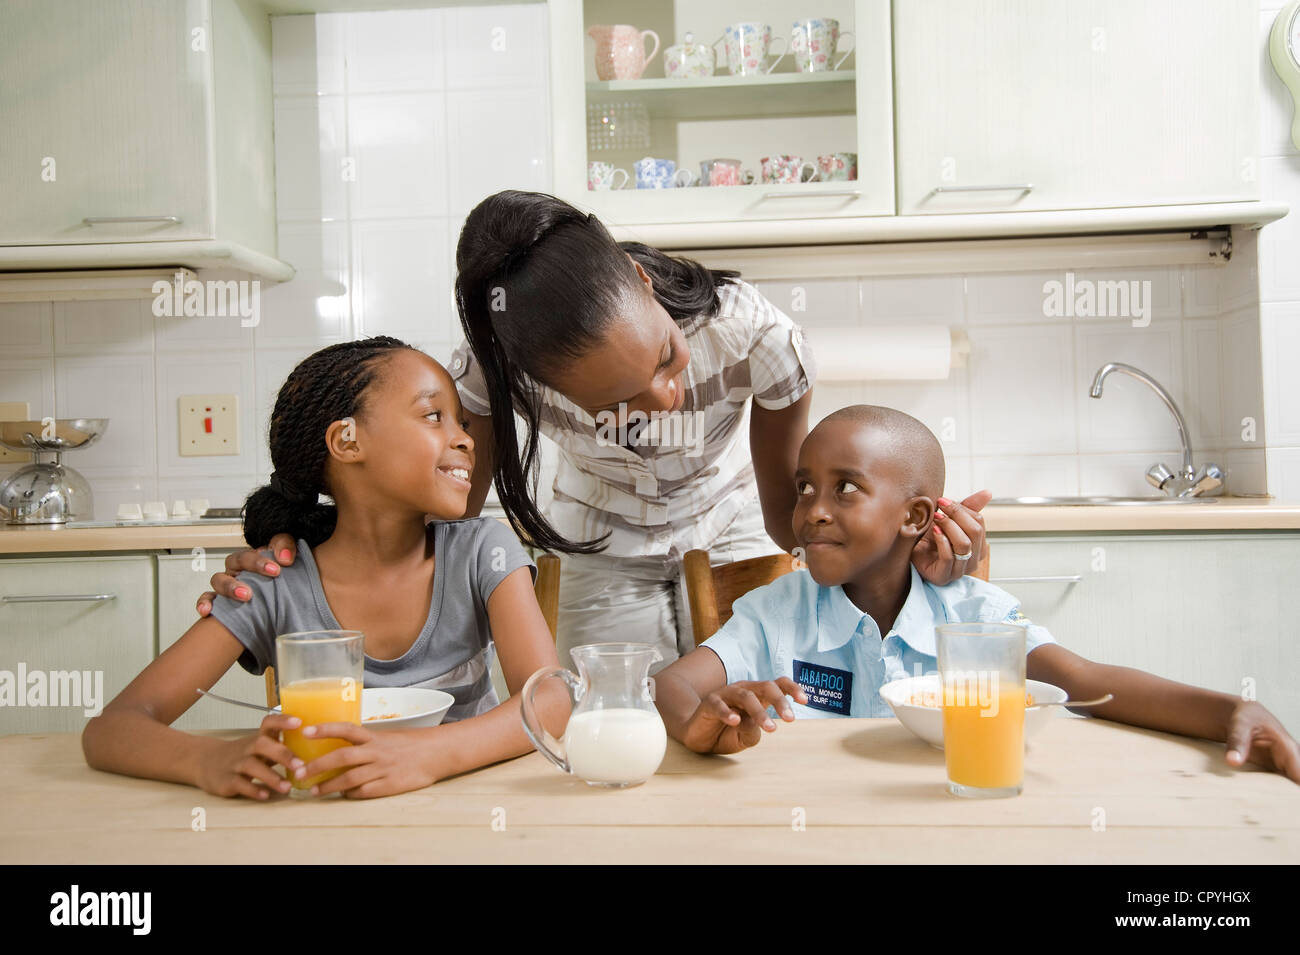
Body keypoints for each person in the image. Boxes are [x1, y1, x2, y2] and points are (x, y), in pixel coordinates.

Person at [194, 190, 992, 670]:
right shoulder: (493, 365)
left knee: (772, 712)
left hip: (737, 529)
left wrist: (899, 555)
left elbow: (795, 513)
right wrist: (305, 560)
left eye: (668, 359)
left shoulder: (760, 337)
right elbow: (444, 514)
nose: (672, 397)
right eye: (629, 402)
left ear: (643, 284)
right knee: (608, 726)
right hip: (599, 544)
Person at [653, 405, 1300, 784]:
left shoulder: (971, 614)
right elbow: (673, 687)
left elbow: (1089, 682)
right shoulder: (776, 612)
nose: (812, 511)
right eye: (803, 487)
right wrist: (702, 721)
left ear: (914, 517)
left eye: (844, 487)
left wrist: (1229, 712)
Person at [82, 337, 568, 799]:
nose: (464, 439)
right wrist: (206, 760)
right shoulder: (276, 585)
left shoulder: (483, 551)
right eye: (433, 416)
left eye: (460, 422)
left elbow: (551, 701)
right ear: (348, 441)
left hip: (468, 810)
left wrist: (428, 757)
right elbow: (113, 728)